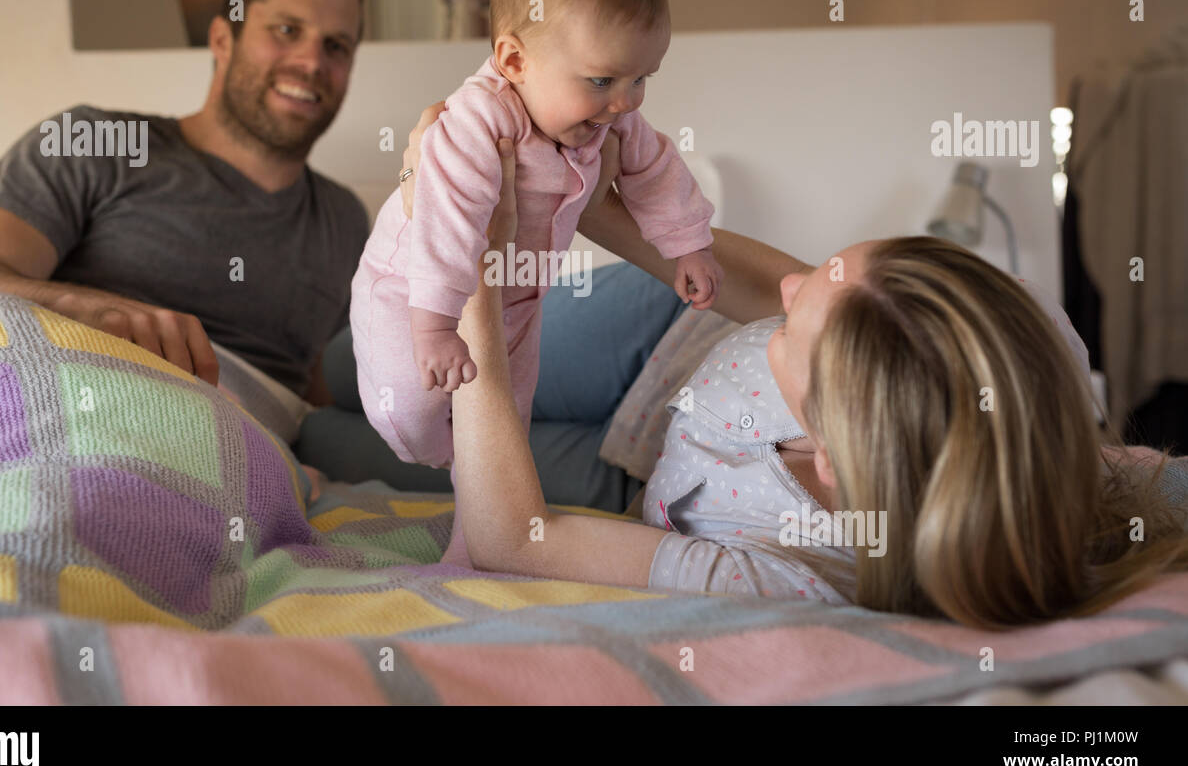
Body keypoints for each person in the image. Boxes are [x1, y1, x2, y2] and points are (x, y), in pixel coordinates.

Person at [441, 138, 1188, 629]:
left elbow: (513, 537)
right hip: (667, 337)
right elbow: (776, 287)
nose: (793, 284)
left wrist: (470, 268)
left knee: (391, 434)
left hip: (634, 479)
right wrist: (595, 210)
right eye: (831, 271)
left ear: (835, 455)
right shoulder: (1019, 336)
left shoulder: (786, 576)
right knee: (353, 362)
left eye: (798, 325)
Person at [348, 0, 724, 564]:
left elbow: (657, 172)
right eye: (603, 81)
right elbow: (446, 224)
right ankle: (427, 444)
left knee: (503, 432)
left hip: (518, 301)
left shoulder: (613, 120)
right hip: (411, 289)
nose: (624, 103)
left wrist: (688, 246)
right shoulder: (478, 123)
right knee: (409, 416)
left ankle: (473, 547)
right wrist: (435, 325)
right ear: (514, 60)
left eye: (642, 79)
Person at [0, 0, 369, 405]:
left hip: (257, 456)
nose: (311, 63)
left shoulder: (345, 219)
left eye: (336, 46)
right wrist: (94, 311)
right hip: (87, 413)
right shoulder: (93, 141)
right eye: (287, 30)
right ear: (224, 41)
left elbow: (318, 392)